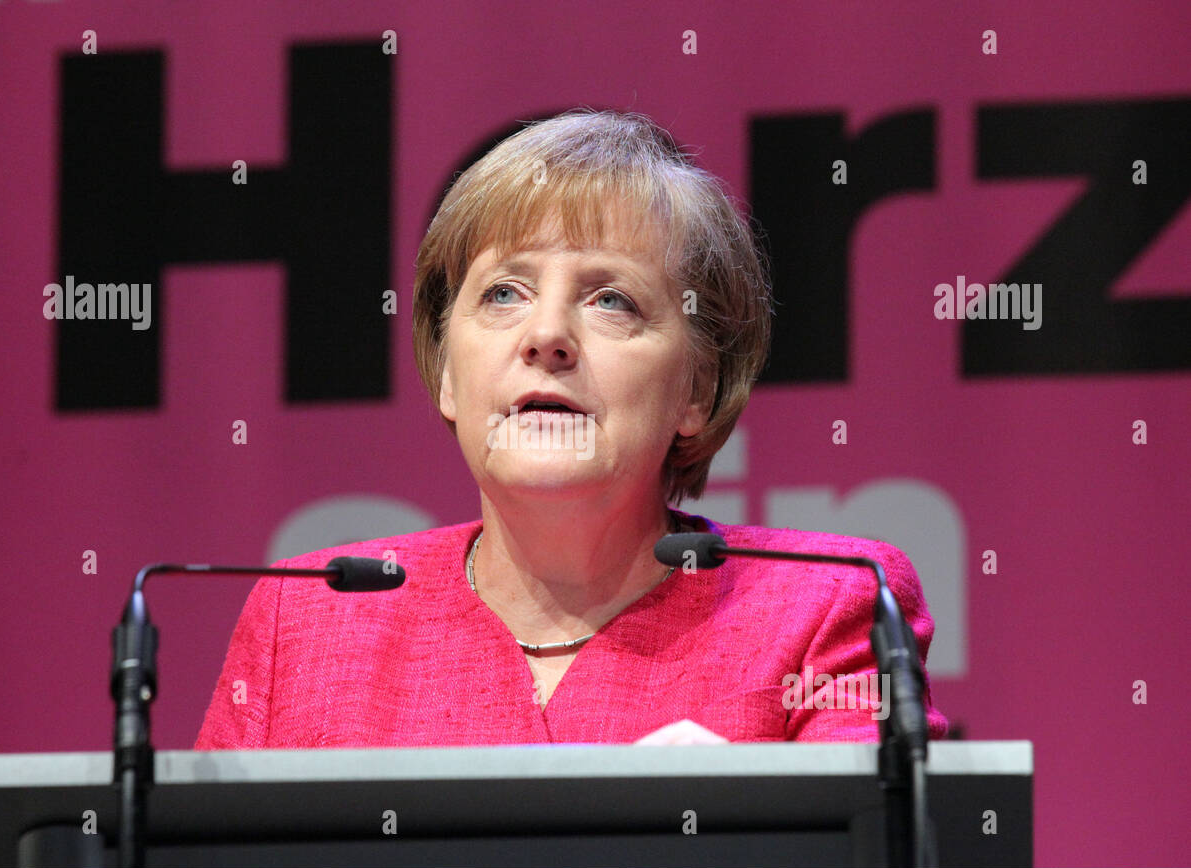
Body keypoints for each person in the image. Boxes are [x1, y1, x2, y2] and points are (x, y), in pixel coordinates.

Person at [196, 108, 947, 749]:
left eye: (612, 300)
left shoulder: (829, 604)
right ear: (448, 371)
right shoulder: (308, 620)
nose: (546, 334)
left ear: (698, 386)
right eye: (503, 293)